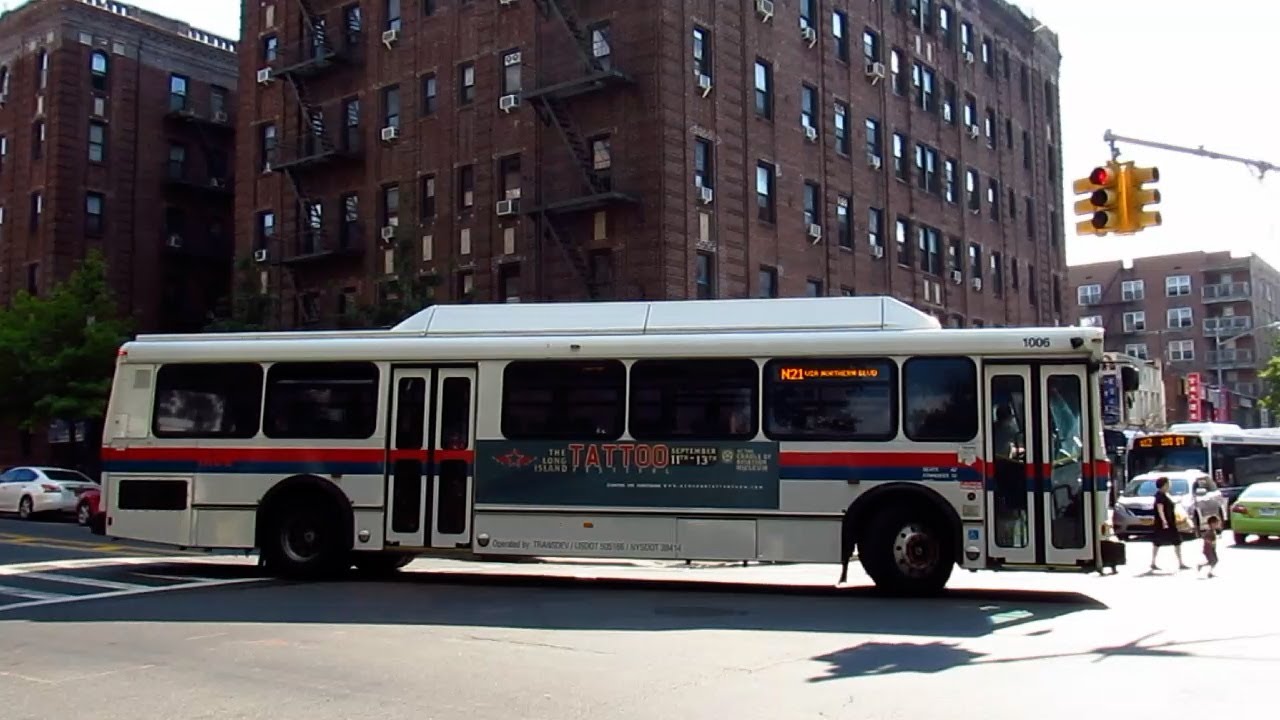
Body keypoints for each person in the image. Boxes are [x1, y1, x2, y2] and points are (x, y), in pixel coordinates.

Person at [1151, 477, 1188, 571]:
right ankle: (1153, 562)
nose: (1170, 485)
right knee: (1158, 542)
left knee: (1176, 542)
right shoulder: (1160, 496)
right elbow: (1160, 509)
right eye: (1168, 484)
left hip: (1170, 521)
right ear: (1164, 485)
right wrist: (1164, 521)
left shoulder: (1166, 494)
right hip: (1164, 523)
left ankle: (1180, 562)